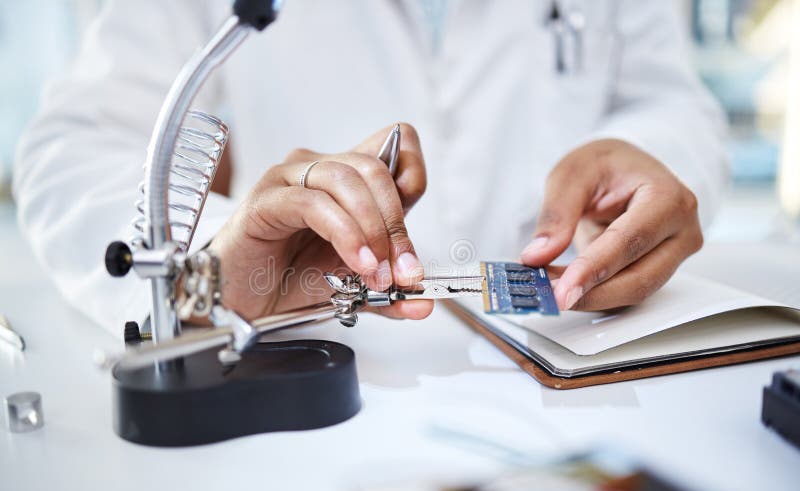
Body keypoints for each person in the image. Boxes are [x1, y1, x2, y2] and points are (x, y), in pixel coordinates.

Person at [13, 0, 727, 335]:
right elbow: (72, 149)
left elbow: (669, 100)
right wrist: (212, 267)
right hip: (320, 384)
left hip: (582, 363)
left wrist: (653, 160)